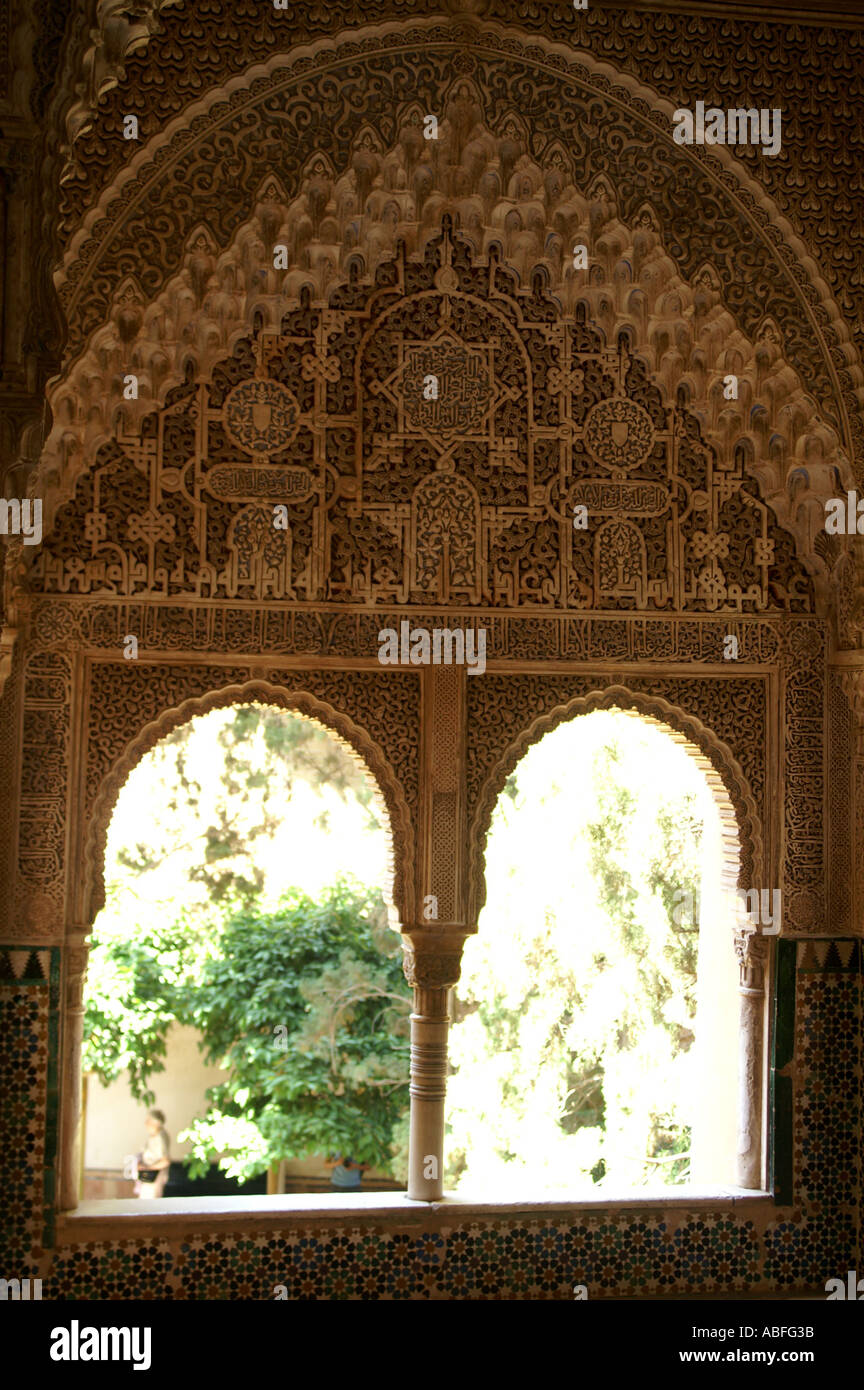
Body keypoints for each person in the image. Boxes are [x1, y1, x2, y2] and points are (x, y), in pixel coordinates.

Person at [133, 1109, 172, 1199]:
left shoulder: (160, 1138)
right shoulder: (155, 1136)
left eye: (148, 1121)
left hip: (154, 1178)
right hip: (149, 1178)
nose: (145, 1124)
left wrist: (147, 1168)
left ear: (155, 1123)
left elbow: (165, 1161)